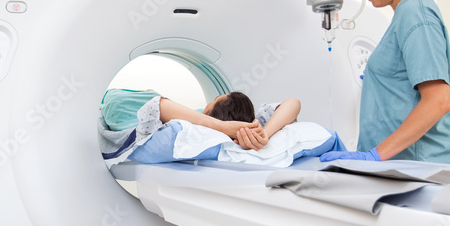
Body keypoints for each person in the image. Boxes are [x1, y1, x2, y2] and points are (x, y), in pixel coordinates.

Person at [320, 0, 450, 164]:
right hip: (403, 165)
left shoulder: (416, 16)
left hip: (422, 166)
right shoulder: (403, 16)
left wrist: (375, 155)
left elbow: (437, 101)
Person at [100, 88, 301, 149]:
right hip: (177, 109)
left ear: (208, 111)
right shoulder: (235, 126)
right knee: (153, 95)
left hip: (122, 105)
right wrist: (224, 126)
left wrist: (263, 134)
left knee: (145, 99)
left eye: (213, 101)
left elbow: (157, 107)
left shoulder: (243, 129)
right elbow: (293, 101)